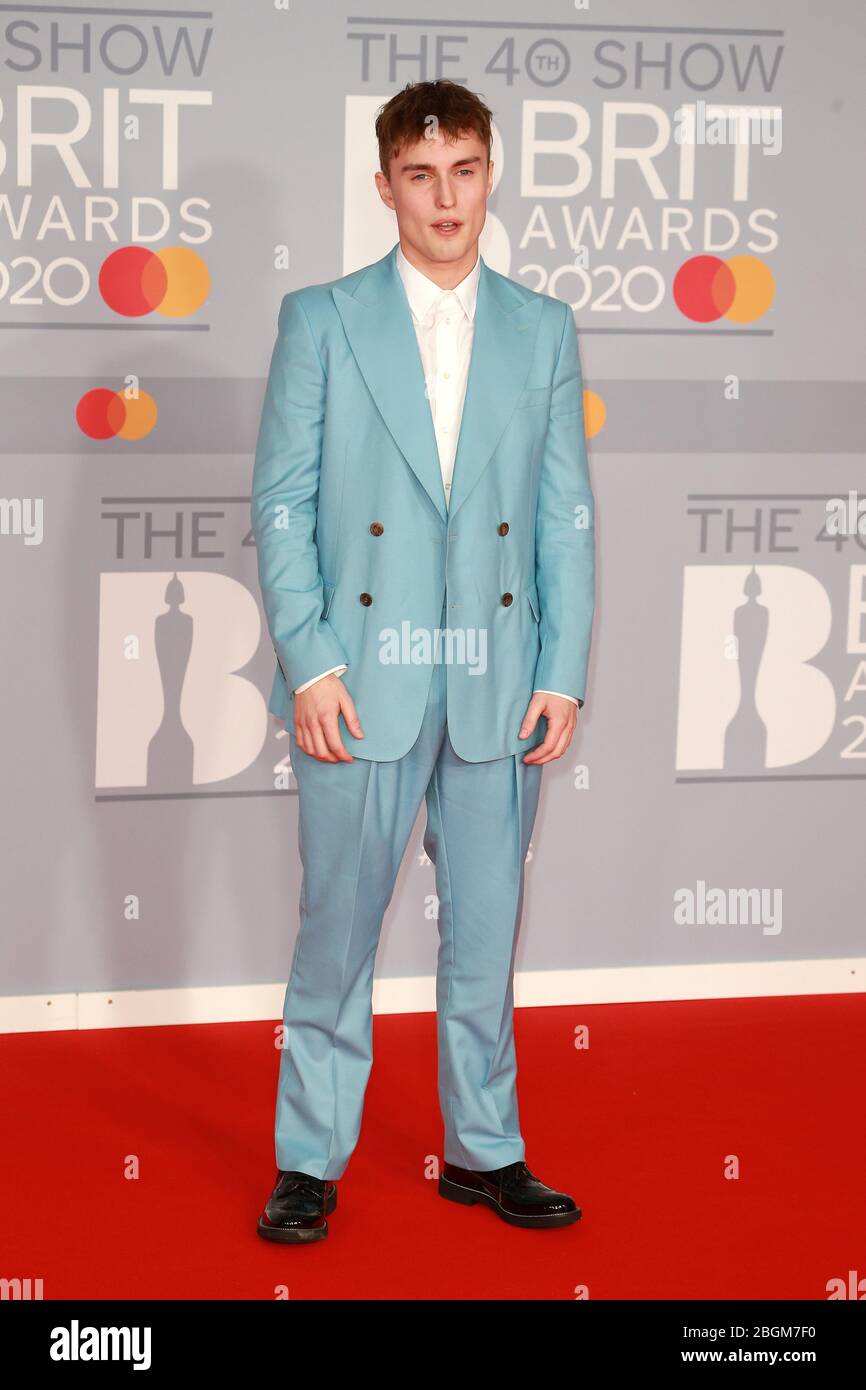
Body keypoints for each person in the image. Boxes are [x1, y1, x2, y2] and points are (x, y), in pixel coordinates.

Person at [251, 79, 595, 1243]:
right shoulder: (322, 319)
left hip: (497, 684)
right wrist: (309, 662)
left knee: (486, 930)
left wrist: (560, 671)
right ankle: (309, 1158)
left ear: (490, 175)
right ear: (385, 183)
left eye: (464, 172)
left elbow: (563, 518)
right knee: (335, 929)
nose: (444, 198)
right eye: (419, 174)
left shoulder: (541, 327)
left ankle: (483, 1150)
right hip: (362, 682)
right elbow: (282, 505)